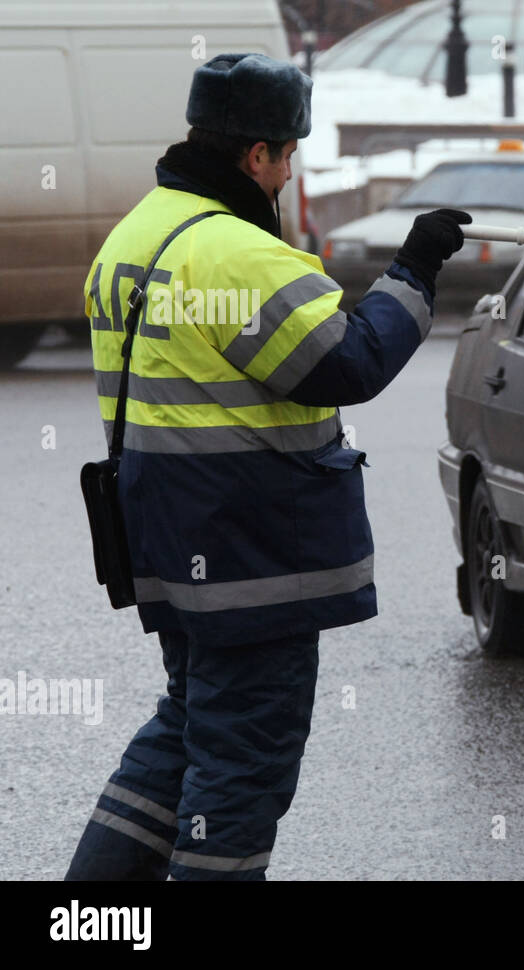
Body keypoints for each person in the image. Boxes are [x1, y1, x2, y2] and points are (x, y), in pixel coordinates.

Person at [65, 52, 470, 880]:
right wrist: (415, 273)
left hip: (167, 550)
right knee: (243, 767)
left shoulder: (134, 234)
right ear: (258, 155)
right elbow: (346, 364)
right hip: (252, 559)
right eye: (288, 153)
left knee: (185, 734)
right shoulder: (239, 257)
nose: (290, 172)